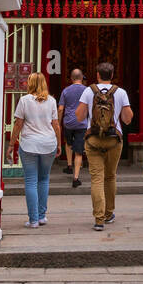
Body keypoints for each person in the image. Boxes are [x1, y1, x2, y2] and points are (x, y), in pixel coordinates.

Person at [76, 61, 133, 231]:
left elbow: (79, 116)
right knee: (110, 177)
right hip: (114, 140)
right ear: (112, 75)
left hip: (93, 139)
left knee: (97, 179)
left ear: (98, 75)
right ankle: (109, 213)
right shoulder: (120, 92)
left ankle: (98, 219)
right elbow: (127, 119)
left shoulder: (88, 91)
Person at [10, 72, 61, 229]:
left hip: (29, 144)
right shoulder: (51, 101)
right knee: (44, 178)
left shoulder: (24, 101)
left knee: (31, 180)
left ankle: (33, 220)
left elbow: (18, 124)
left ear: (30, 84)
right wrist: (59, 144)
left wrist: (11, 144)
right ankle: (42, 216)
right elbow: (56, 124)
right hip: (48, 144)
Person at [58, 68, 88, 189]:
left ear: (71, 78)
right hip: (82, 123)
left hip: (68, 123)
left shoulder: (65, 90)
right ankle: (75, 178)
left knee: (69, 143)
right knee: (79, 151)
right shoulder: (87, 91)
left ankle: (69, 165)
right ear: (81, 78)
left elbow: (60, 108)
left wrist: (58, 123)